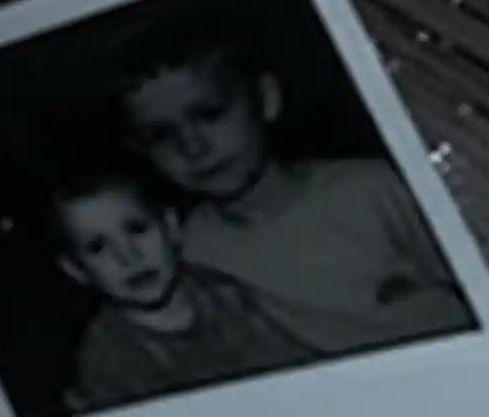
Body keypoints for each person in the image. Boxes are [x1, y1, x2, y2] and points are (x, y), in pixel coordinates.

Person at [105, 3, 476, 355]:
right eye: (161, 135)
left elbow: (486, 286)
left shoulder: (372, 189)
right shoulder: (185, 250)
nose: (193, 147)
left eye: (210, 113)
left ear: (265, 99)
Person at [45, 168, 315, 412]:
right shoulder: (105, 358)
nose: (128, 256)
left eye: (137, 229)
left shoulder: (223, 294)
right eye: (98, 247)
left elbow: (296, 365)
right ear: (77, 270)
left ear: (171, 228)